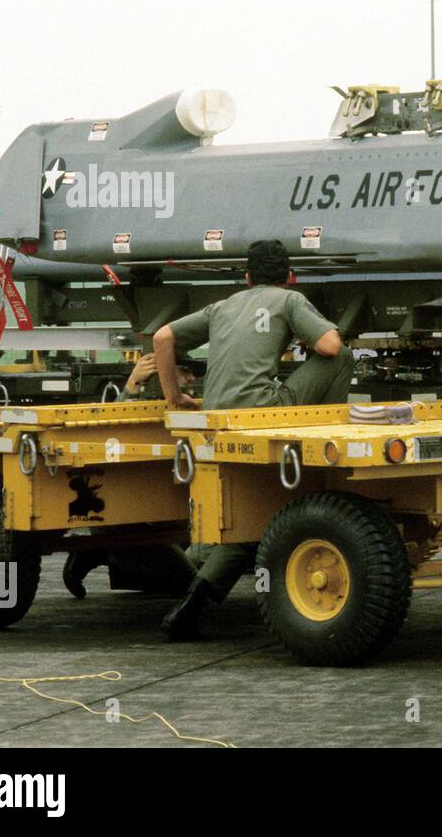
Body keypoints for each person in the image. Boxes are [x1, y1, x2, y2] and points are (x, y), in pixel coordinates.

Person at [153, 239, 355, 640]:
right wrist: (305, 337)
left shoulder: (222, 307)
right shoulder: (289, 299)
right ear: (289, 277)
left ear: (245, 278)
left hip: (216, 417)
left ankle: (191, 598)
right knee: (344, 356)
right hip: (261, 411)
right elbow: (330, 346)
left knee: (243, 517)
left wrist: (174, 397)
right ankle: (328, 432)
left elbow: (161, 338)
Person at [61, 353, 200, 600]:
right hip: (131, 521)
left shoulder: (188, 403)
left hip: (167, 519)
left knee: (201, 566)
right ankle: (97, 551)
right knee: (188, 583)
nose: (192, 378)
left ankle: (102, 553)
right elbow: (109, 435)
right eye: (184, 370)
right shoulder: (136, 407)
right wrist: (131, 386)